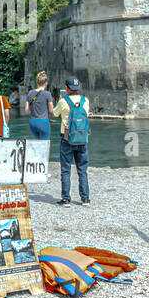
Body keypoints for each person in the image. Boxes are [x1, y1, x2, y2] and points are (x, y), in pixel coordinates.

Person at [51, 77, 90, 206]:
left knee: (66, 169)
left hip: (67, 138)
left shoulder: (63, 102)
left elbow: (54, 114)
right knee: (82, 170)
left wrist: (59, 100)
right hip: (82, 137)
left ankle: (66, 199)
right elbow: (87, 116)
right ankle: (85, 199)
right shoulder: (85, 101)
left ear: (67, 88)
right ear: (78, 88)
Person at [25, 72, 54, 140]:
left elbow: (26, 109)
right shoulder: (47, 94)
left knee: (37, 144)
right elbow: (51, 110)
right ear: (46, 83)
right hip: (43, 122)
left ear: (37, 82)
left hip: (33, 122)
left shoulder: (30, 93)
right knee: (44, 145)